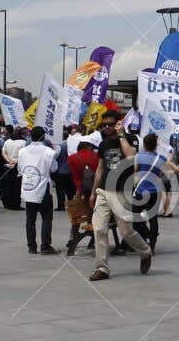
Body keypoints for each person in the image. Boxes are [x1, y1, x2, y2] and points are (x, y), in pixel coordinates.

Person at [88, 109, 152, 281]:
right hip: (103, 191)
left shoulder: (130, 139)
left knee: (126, 232)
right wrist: (93, 192)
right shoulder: (103, 143)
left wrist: (122, 135)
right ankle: (102, 268)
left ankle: (145, 252)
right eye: (105, 125)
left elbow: (131, 156)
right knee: (100, 229)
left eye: (111, 124)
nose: (107, 127)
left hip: (121, 192)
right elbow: (100, 168)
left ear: (118, 123)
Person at [17, 126, 57, 253]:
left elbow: (20, 168)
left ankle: (31, 247)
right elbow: (54, 169)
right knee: (46, 217)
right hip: (43, 186)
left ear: (30, 136)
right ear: (43, 136)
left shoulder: (22, 151)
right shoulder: (49, 152)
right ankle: (45, 246)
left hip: (29, 185)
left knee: (30, 219)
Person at [129, 133, 165, 253]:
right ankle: (152, 246)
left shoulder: (139, 156)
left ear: (144, 144)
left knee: (135, 216)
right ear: (156, 145)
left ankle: (144, 237)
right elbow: (161, 174)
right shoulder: (161, 158)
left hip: (141, 190)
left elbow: (136, 171)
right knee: (153, 219)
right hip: (155, 191)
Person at [64, 139, 98, 257]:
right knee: (93, 214)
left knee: (77, 215)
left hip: (81, 191)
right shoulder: (97, 156)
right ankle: (93, 240)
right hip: (96, 192)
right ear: (89, 146)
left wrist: (80, 190)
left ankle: (72, 237)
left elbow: (75, 177)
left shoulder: (72, 158)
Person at [1, 126, 26, 211]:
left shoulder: (7, 141)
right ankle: (16, 204)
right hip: (19, 166)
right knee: (17, 186)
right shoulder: (24, 142)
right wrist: (15, 161)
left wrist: (9, 160)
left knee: (9, 185)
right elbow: (24, 155)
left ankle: (9, 203)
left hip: (8, 165)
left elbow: (3, 152)